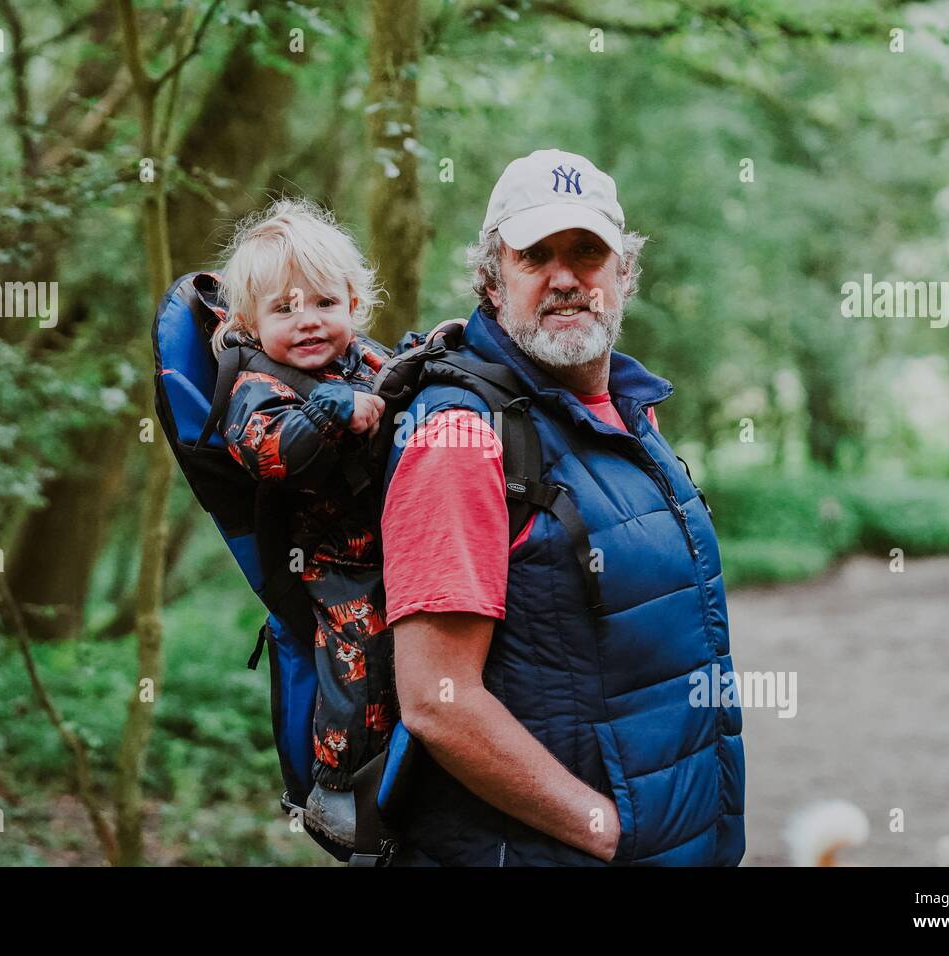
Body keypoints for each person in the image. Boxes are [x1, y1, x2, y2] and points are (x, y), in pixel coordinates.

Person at [379, 149, 746, 866]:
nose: (566, 277)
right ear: (491, 280)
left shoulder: (631, 418)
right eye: (535, 255)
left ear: (624, 275)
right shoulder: (460, 435)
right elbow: (437, 698)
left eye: (587, 252)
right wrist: (603, 829)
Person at [211, 198, 394, 849]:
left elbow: (405, 385)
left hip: (392, 544)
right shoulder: (255, 386)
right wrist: (330, 413)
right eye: (284, 309)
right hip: (327, 565)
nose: (307, 321)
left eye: (322, 302)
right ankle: (334, 785)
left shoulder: (364, 359)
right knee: (360, 647)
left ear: (352, 302)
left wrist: (436, 354)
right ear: (251, 324)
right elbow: (272, 450)